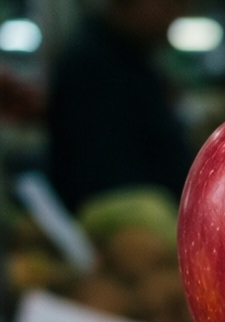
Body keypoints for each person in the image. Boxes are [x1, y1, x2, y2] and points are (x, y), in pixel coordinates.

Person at [46, 0, 192, 213]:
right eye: (166, 4)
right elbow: (99, 174)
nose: (174, 15)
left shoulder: (135, 60)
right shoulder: (90, 66)